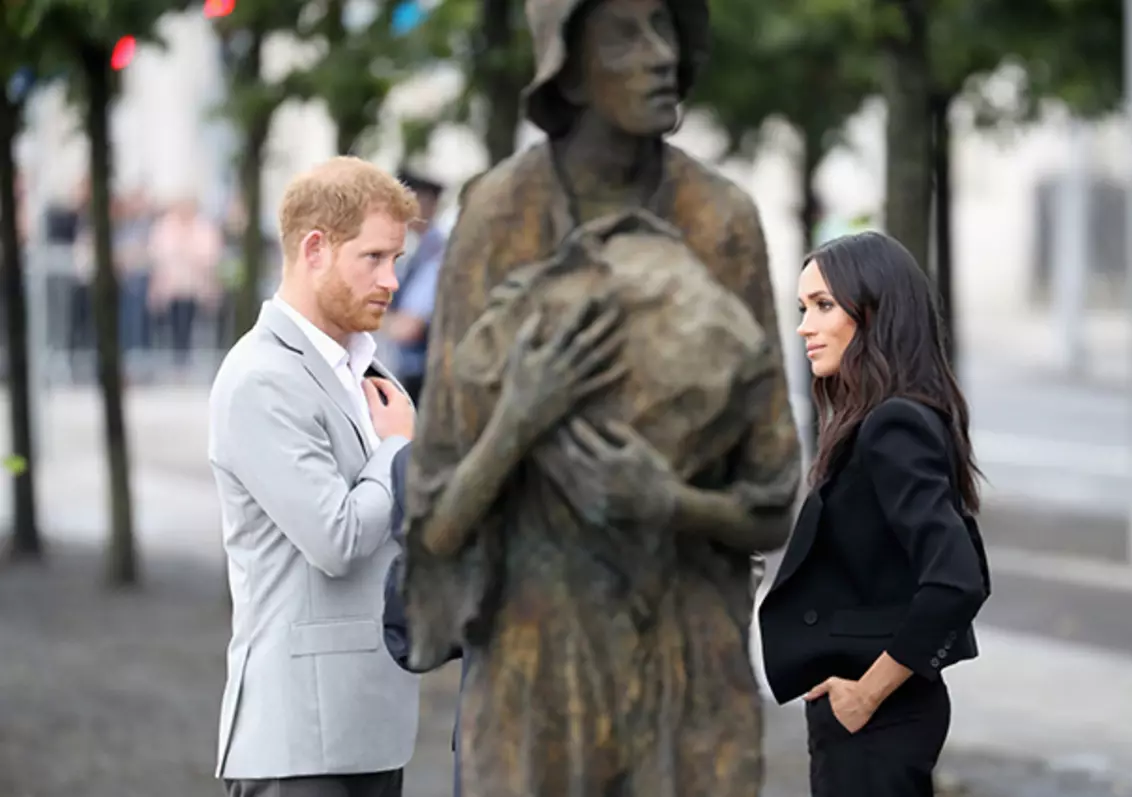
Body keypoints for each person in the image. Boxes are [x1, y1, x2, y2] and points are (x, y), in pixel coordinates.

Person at [393, 0, 802, 794]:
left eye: (666, 28)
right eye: (624, 33)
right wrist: (518, 420)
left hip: (689, 667)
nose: (659, 55)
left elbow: (775, 499)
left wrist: (669, 501)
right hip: (537, 667)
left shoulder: (722, 221)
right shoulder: (499, 217)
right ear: (566, 65)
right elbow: (436, 525)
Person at [208, 156, 422, 797]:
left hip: (369, 727)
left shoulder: (368, 373)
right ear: (315, 249)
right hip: (298, 744)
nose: (390, 280)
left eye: (397, 261)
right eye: (374, 258)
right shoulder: (260, 377)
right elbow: (334, 539)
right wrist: (396, 452)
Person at [757, 230, 991, 797]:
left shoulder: (893, 426)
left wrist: (867, 692)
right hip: (871, 720)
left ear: (874, 313)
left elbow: (957, 580)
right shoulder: (881, 422)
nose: (804, 327)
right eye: (802, 308)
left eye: (823, 306)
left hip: (877, 719)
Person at [382, 169, 447, 405]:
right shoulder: (419, 251)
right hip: (413, 373)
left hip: (423, 378)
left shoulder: (437, 255)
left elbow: (408, 328)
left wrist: (364, 316)